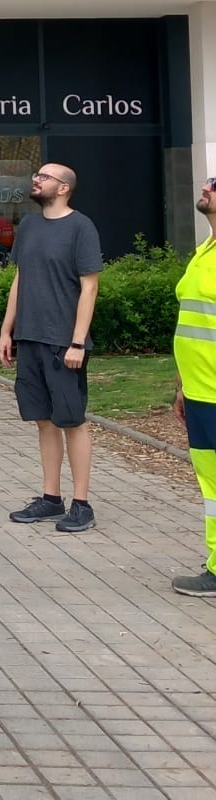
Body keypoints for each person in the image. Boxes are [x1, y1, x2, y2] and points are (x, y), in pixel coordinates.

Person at [0, 162, 103, 533]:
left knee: (71, 421)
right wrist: (6, 330)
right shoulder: (28, 226)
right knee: (43, 421)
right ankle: (50, 498)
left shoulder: (81, 227)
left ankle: (82, 505)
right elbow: (20, 278)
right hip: (29, 338)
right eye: (37, 175)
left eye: (44, 177)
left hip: (64, 343)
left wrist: (77, 341)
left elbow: (89, 288)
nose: (36, 179)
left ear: (63, 188)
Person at [171, 174, 216, 596]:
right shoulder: (205, 251)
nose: (205, 187)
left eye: (215, 184)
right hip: (201, 393)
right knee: (212, 485)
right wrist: (183, 384)